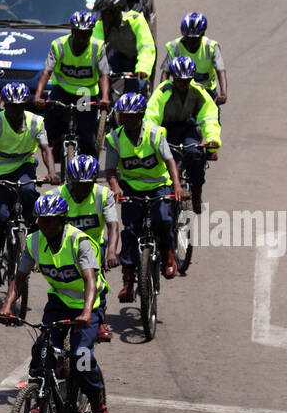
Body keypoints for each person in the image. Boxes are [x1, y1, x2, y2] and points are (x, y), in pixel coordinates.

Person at [0, 193, 110, 413]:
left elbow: (90, 280)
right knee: (42, 350)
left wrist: (87, 312)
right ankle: (41, 396)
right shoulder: (34, 242)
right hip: (58, 301)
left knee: (81, 356)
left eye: (51, 220)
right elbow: (20, 278)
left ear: (63, 219)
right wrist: (6, 306)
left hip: (86, 304)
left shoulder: (80, 242)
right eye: (41, 220)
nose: (45, 225)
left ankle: (99, 408)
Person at [103, 92, 183, 299]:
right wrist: (115, 187)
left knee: (163, 219)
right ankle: (128, 280)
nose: (128, 119)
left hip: (158, 185)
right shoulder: (114, 139)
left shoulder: (155, 134)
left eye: (132, 115)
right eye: (124, 115)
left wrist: (176, 185)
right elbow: (110, 170)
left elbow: (169, 161)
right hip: (131, 187)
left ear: (141, 115)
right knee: (129, 231)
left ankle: (167, 255)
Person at [0, 81, 55, 287]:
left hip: (23, 168)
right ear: (4, 104)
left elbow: (45, 149)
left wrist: (51, 172)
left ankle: (30, 242)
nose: (15, 110)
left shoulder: (36, 122)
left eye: (19, 106)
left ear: (25, 105)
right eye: (11, 106)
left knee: (30, 192)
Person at [144, 55, 221, 214]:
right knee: (161, 160)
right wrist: (152, 139)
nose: (183, 84)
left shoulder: (198, 91)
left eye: (186, 80)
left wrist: (212, 140)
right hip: (165, 129)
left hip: (187, 127)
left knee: (194, 154)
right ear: (173, 78)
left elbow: (209, 115)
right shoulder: (163, 91)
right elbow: (151, 117)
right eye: (179, 80)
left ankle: (196, 193)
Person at [58, 154, 121, 344]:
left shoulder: (103, 195)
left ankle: (100, 319)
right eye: (78, 183)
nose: (82, 188)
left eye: (87, 183)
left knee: (96, 279)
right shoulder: (58, 195)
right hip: (64, 246)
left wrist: (111, 252)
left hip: (93, 246)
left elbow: (113, 226)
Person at [34, 10, 111, 158]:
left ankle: (90, 170)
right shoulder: (59, 45)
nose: (82, 38)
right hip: (63, 89)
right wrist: (38, 96)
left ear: (90, 33)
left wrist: (105, 97)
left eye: (86, 33)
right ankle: (55, 143)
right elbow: (46, 72)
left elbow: (103, 74)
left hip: (85, 91)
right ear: (72, 31)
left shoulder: (97, 46)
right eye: (79, 33)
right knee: (50, 118)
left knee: (86, 134)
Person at [90, 0, 156, 94]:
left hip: (138, 61)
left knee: (131, 95)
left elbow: (146, 47)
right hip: (120, 57)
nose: (101, 16)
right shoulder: (101, 25)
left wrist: (143, 67)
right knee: (97, 82)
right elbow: (93, 47)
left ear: (116, 11)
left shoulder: (136, 20)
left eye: (105, 12)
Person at [162, 13, 227, 108]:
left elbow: (220, 70)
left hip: (207, 92)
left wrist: (223, 94)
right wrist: (164, 91)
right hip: (181, 91)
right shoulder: (175, 47)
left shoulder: (211, 47)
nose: (191, 41)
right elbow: (165, 73)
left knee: (212, 119)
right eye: (188, 37)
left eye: (195, 38)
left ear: (202, 34)